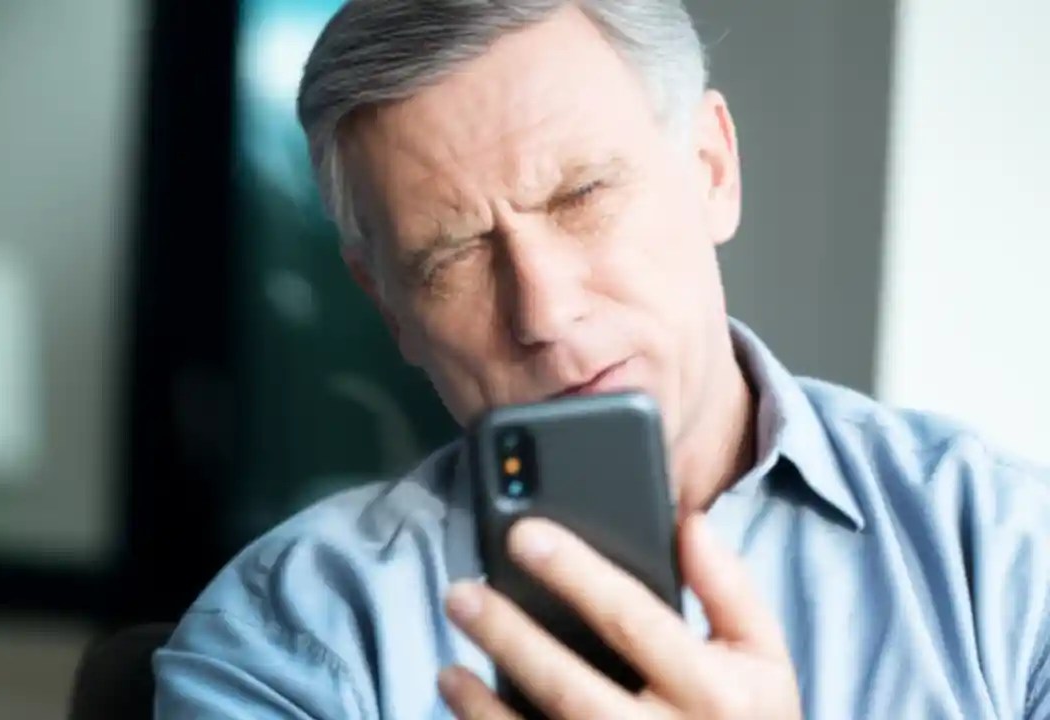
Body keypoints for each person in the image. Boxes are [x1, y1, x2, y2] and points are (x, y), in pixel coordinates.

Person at [154, 1, 1050, 717]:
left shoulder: (1009, 559)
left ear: (712, 169)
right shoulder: (290, 637)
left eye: (582, 195)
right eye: (450, 256)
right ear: (392, 309)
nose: (544, 312)